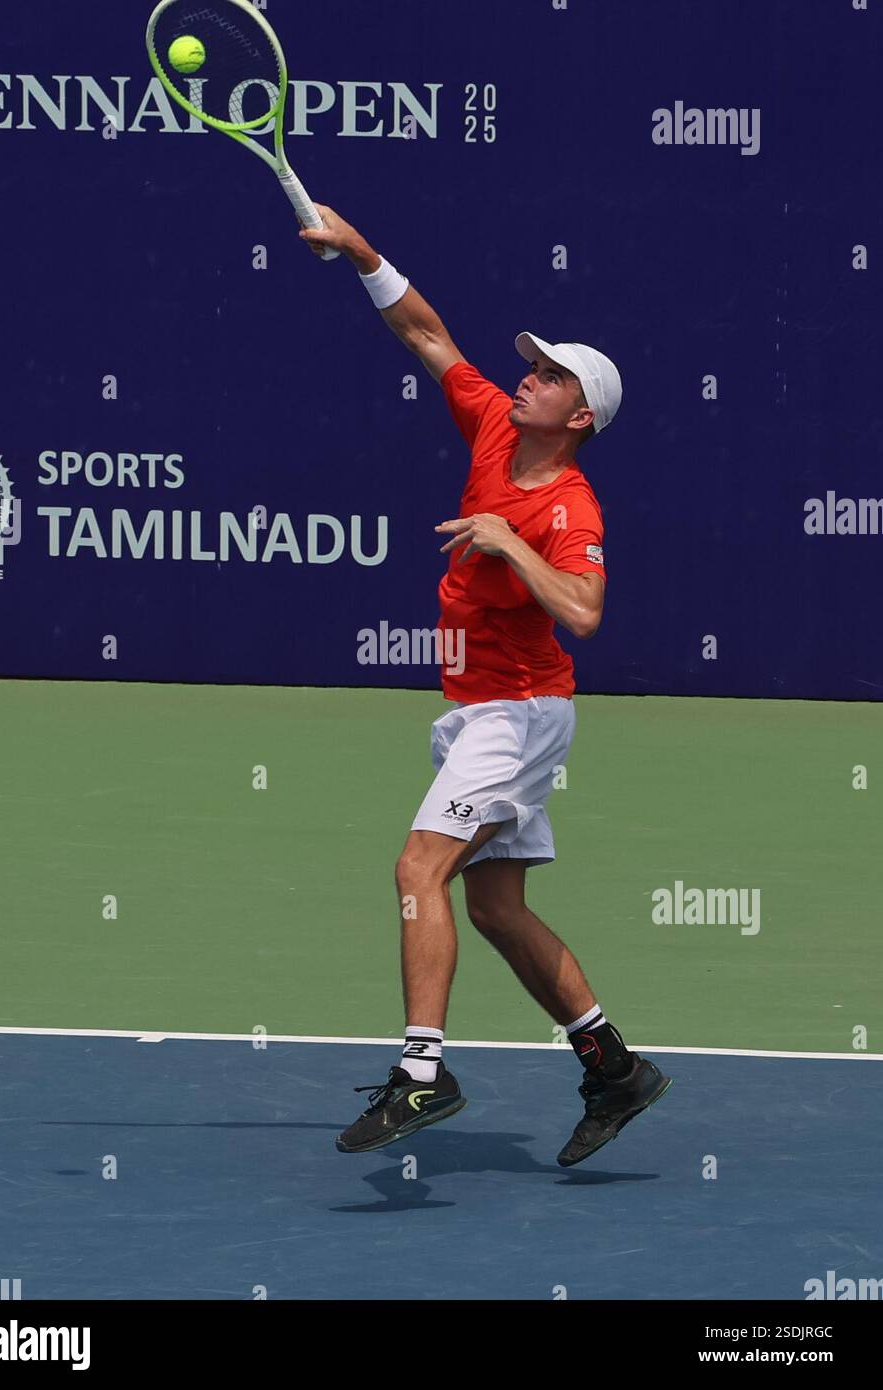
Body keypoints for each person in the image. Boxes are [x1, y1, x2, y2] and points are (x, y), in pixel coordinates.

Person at [299, 207, 672, 1167]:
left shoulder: (568, 504)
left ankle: (424, 1076)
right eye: (533, 366)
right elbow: (426, 331)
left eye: (550, 376)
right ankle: (614, 1068)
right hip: (480, 710)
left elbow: (584, 612)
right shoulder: (492, 430)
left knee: (418, 870)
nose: (528, 378)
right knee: (496, 908)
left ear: (579, 416)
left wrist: (510, 542)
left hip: (516, 714)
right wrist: (362, 252)